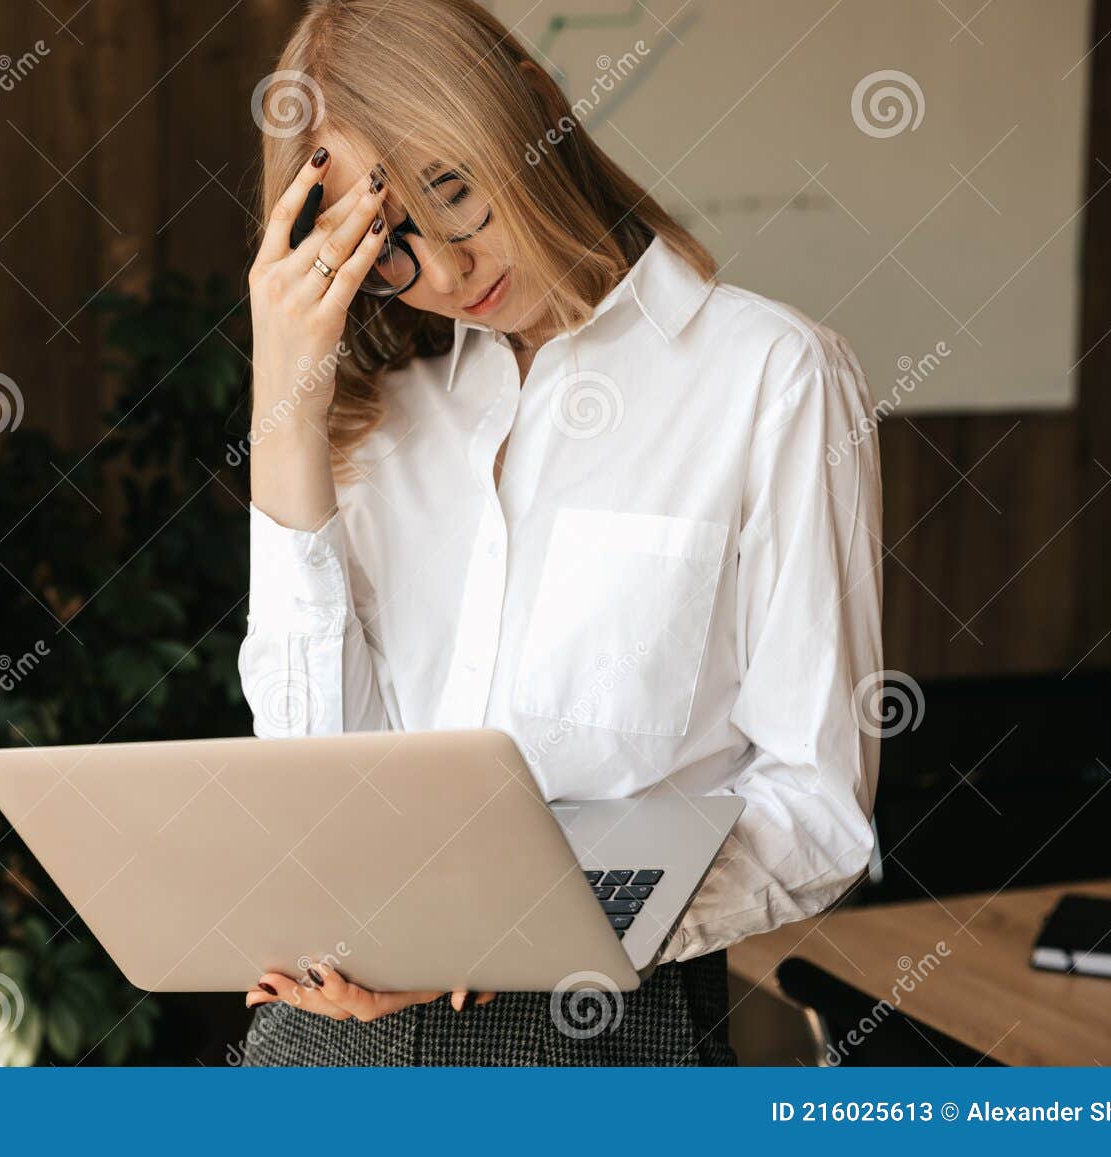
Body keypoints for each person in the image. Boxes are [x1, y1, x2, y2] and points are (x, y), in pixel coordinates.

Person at [235, 0, 882, 1066]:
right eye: (386, 242)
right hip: (321, 1041)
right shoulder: (376, 421)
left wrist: (547, 918)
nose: (444, 274)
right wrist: (284, 405)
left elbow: (816, 811)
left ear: (531, 108)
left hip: (594, 1027)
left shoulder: (769, 378)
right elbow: (311, 781)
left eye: (455, 194)